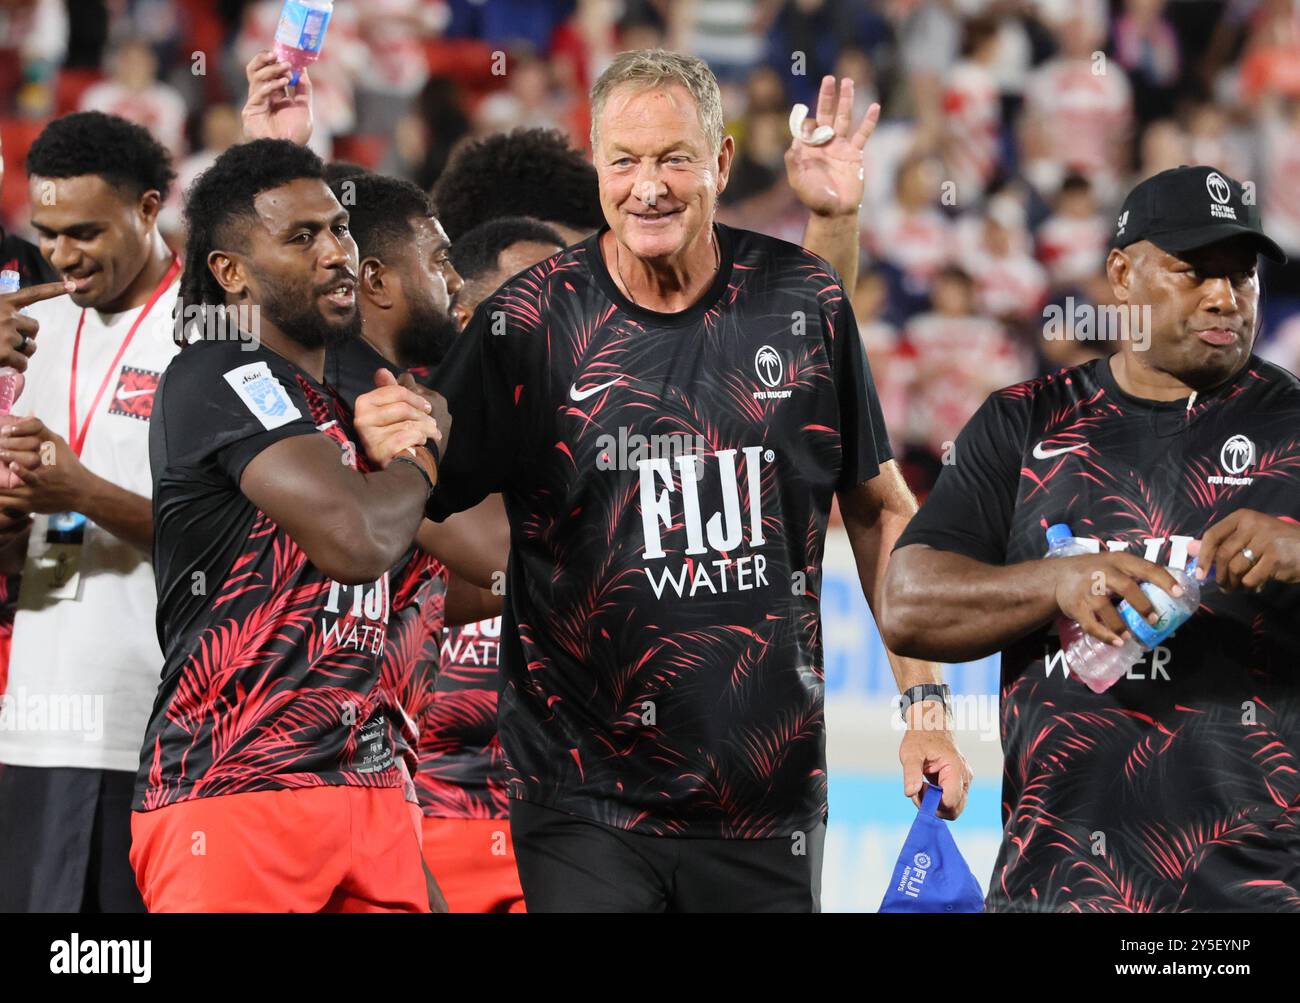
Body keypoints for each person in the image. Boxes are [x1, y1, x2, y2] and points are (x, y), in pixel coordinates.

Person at [426, 48, 970, 913]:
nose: (649, 187)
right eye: (625, 161)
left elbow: (874, 510)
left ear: (721, 162)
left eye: (675, 158)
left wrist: (929, 711)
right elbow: (405, 503)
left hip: (768, 803)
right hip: (580, 800)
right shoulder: (527, 320)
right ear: (597, 164)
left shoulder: (800, 298)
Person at [882, 165, 1300, 911]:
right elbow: (909, 603)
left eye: (1241, 276)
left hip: (1256, 893)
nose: (1223, 298)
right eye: (1192, 270)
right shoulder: (1024, 421)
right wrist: (1054, 582)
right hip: (1059, 884)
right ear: (1120, 274)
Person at [131, 139, 444, 912]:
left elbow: (431, 581)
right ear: (231, 271)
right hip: (236, 789)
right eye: (302, 237)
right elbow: (356, 541)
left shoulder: (339, 411)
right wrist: (423, 458)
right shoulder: (219, 371)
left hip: (369, 791)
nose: (337, 252)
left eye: (339, 229)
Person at [0, 112, 181, 913]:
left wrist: (77, 492)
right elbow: (27, 546)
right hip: (35, 718)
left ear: (147, 209)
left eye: (84, 232)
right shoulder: (27, 331)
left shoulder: (212, 329)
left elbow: (244, 539)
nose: (63, 258)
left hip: (157, 722)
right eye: (45, 234)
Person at [417, 216, 566, 914]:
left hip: (578, 847)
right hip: (420, 844)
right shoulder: (391, 455)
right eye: (539, 299)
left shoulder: (622, 452)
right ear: (470, 320)